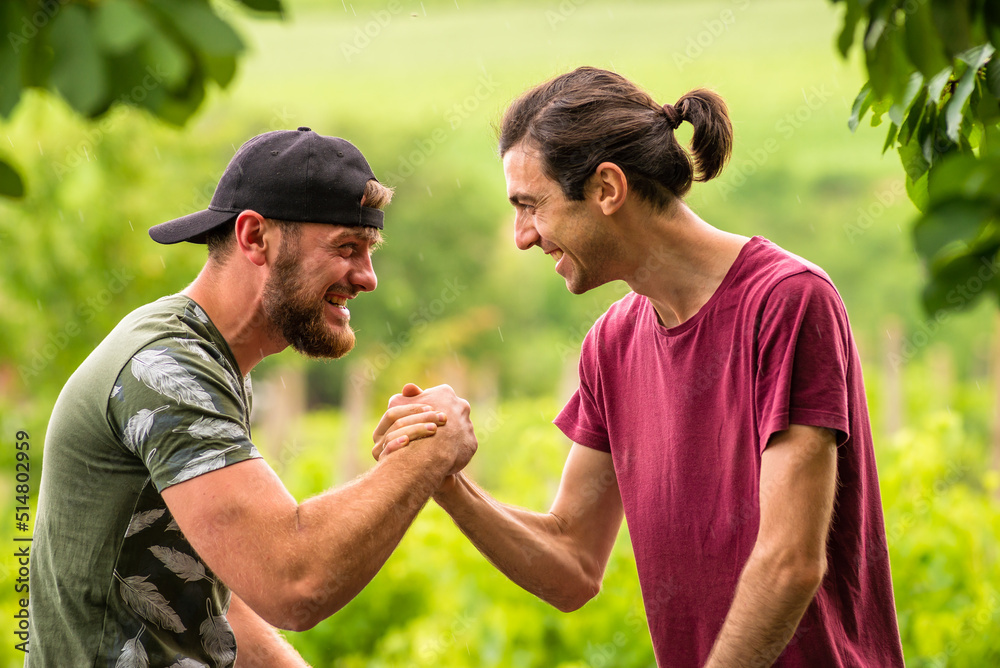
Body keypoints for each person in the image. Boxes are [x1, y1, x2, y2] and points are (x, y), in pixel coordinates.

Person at [375, 67, 906, 666]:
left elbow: (790, 563)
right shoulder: (611, 343)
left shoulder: (787, 302)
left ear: (607, 188)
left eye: (531, 205)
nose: (523, 237)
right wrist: (445, 481)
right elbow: (572, 563)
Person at [28, 127, 476, 667]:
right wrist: (428, 449)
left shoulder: (211, 362)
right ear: (255, 237)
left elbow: (207, 598)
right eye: (346, 248)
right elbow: (292, 581)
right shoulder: (165, 367)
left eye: (370, 250)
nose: (368, 277)